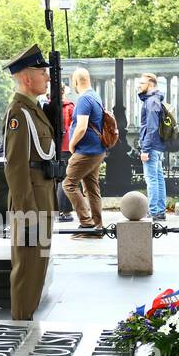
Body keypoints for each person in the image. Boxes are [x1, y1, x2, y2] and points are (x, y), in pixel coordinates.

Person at [2, 44, 57, 320]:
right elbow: (15, 167)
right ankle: (20, 326)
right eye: (42, 72)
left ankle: (27, 322)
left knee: (38, 268)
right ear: (26, 78)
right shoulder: (19, 114)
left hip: (41, 201)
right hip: (31, 207)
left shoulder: (33, 110)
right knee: (27, 270)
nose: (48, 77)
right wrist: (28, 213)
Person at [62, 66, 106, 234]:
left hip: (86, 151)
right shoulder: (95, 96)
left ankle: (86, 222)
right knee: (92, 188)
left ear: (75, 82)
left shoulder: (84, 99)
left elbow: (81, 127)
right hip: (97, 150)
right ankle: (97, 224)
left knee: (69, 184)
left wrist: (72, 144)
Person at [136, 73, 168, 221]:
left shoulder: (151, 102)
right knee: (158, 178)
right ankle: (160, 211)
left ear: (151, 84)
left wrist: (145, 149)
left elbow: (151, 128)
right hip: (157, 146)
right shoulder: (154, 100)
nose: (139, 85)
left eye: (142, 83)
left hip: (152, 146)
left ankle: (154, 211)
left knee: (152, 179)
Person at [56, 84, 75, 222]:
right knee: (67, 179)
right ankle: (65, 211)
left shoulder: (48, 107)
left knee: (57, 179)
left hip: (53, 148)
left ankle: (57, 210)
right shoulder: (70, 107)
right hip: (67, 147)